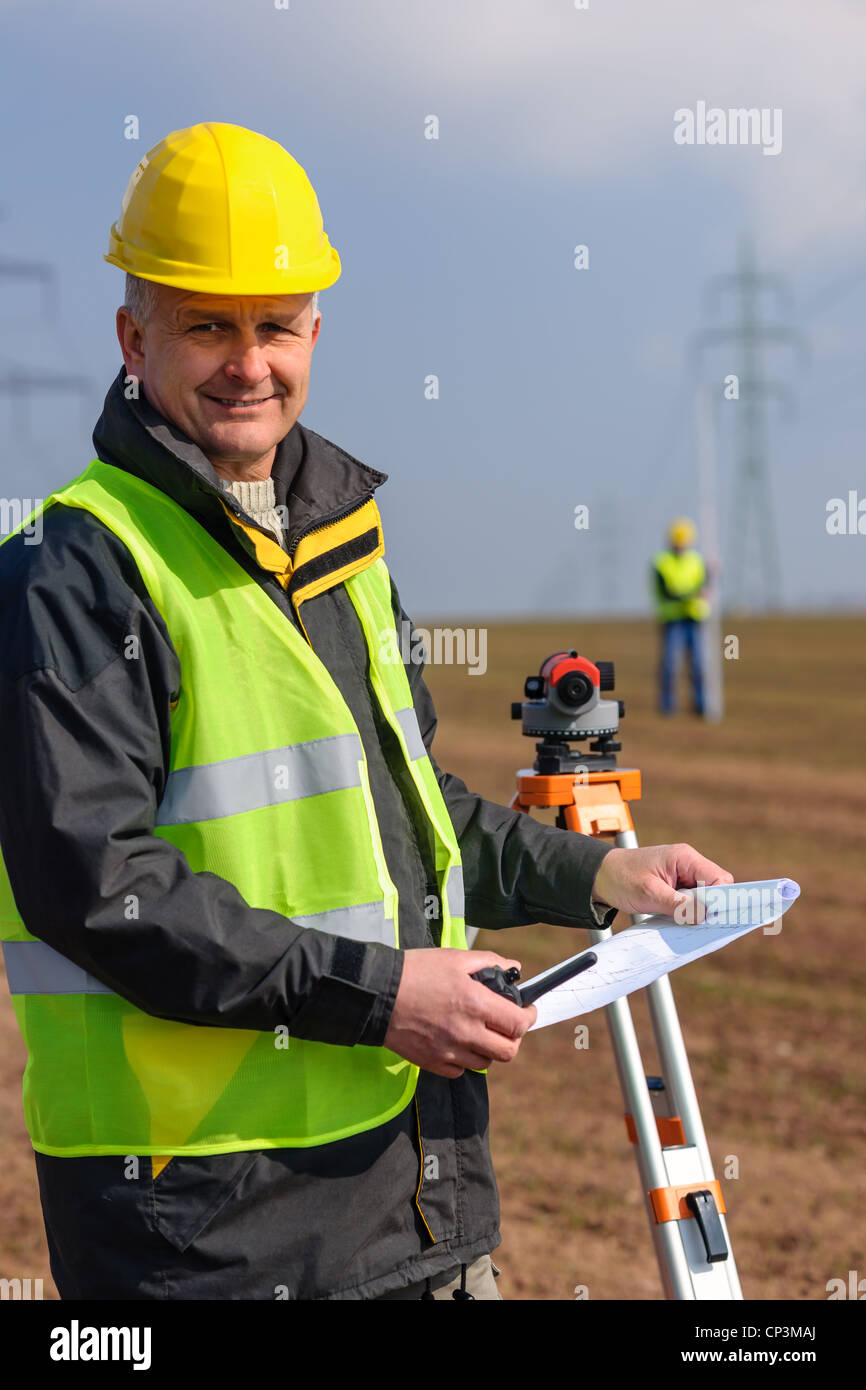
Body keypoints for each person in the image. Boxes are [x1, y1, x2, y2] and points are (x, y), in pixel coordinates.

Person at [0, 123, 732, 1301]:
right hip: (200, 1232)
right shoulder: (73, 569)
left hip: (409, 1192)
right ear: (133, 336)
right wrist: (383, 996)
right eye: (206, 325)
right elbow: (100, 885)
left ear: (316, 332)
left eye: (273, 325)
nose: (248, 363)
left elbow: (407, 817)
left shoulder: (340, 546)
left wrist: (594, 879)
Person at [652, 517, 710, 716]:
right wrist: (689, 595)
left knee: (698, 666)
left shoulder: (697, 561)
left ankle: (701, 706)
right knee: (669, 665)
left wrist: (713, 575)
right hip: (672, 621)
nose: (680, 545)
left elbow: (705, 586)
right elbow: (665, 591)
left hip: (694, 619)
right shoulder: (661, 562)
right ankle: (667, 707)